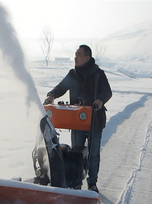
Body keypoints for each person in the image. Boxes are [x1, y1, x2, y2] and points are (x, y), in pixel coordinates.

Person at [44, 45, 112, 193]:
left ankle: (92, 182)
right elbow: (61, 87)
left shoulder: (98, 74)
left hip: (94, 120)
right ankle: (76, 182)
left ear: (87, 58)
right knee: (76, 152)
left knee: (93, 154)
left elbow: (107, 92)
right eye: (75, 54)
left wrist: (100, 100)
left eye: (79, 54)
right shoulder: (73, 74)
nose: (75, 57)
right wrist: (51, 95)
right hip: (77, 120)